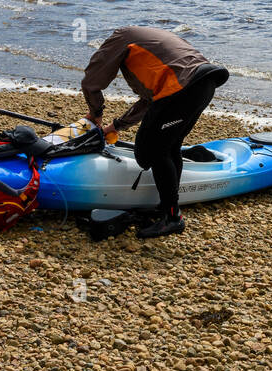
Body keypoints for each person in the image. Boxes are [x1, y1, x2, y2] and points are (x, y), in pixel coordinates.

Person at [81, 26, 229, 238]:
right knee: (169, 147)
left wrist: (95, 113)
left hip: (184, 89)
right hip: (204, 84)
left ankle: (172, 218)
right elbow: (151, 102)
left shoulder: (120, 40)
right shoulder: (145, 41)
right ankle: (167, 208)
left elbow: (91, 81)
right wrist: (116, 126)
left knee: (151, 152)